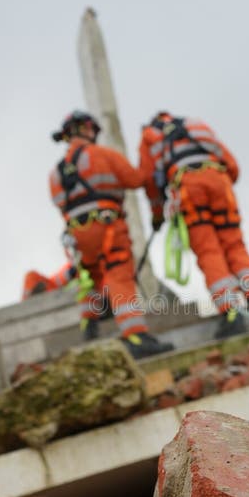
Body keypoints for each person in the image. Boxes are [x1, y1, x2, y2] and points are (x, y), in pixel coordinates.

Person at [138, 112, 249, 339]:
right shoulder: (195, 124)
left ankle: (231, 313)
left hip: (187, 186)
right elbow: (232, 165)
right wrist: (221, 185)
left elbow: (150, 181)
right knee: (234, 245)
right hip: (219, 181)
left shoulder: (149, 136)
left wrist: (157, 215)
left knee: (208, 250)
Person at [49, 110, 173, 358]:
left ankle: (90, 323)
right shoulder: (103, 155)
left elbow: (60, 204)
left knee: (91, 277)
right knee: (118, 274)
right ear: (86, 129)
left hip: (77, 234)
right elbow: (137, 178)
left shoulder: (56, 173)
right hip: (107, 226)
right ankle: (135, 335)